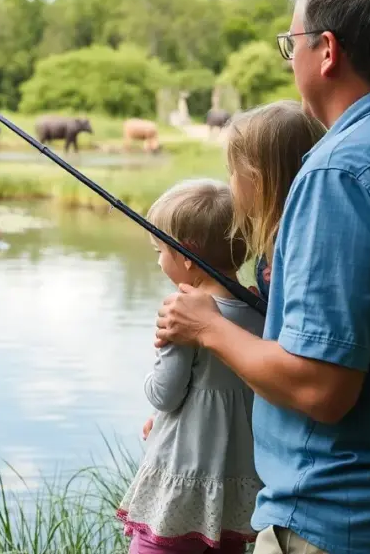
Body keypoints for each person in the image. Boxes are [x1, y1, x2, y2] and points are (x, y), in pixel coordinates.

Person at [155, 0, 370, 554]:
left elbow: (320, 388)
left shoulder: (341, 173)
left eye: (291, 43)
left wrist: (208, 327)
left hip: (342, 520)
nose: (290, 57)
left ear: (326, 51)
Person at [117, 179, 265, 554]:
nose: (158, 261)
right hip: (232, 488)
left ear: (187, 254)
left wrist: (152, 384)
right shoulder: (260, 310)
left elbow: (164, 394)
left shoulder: (184, 313)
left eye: (160, 251)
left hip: (182, 479)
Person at [223, 101, 326, 301]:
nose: (230, 180)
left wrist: (211, 318)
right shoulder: (285, 235)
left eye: (233, 171)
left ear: (258, 180)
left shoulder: (298, 248)